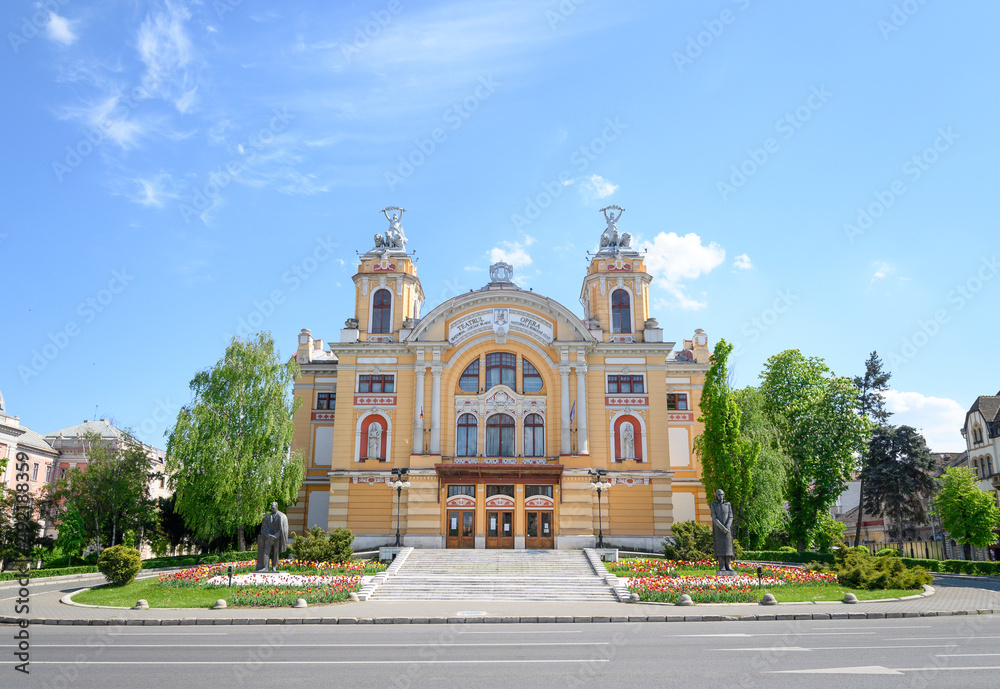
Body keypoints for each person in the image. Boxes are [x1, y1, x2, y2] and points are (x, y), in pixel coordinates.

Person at [256, 502, 289, 572]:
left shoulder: (281, 516)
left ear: (277, 507)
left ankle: (274, 567)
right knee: (266, 552)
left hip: (276, 538)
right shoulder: (267, 517)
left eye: (273, 507)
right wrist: (268, 535)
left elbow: (282, 529)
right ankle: (265, 567)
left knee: (276, 553)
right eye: (271, 507)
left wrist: (275, 536)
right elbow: (264, 528)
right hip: (268, 538)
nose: (272, 509)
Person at [710, 488, 735, 574]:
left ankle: (728, 565)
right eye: (718, 495)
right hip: (719, 530)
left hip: (727, 530)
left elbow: (731, 516)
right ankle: (722, 566)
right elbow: (714, 517)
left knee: (728, 547)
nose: (720, 496)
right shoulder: (713, 505)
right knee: (720, 547)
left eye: (721, 494)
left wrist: (727, 527)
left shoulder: (728, 505)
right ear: (716, 496)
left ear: (724, 495)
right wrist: (722, 528)